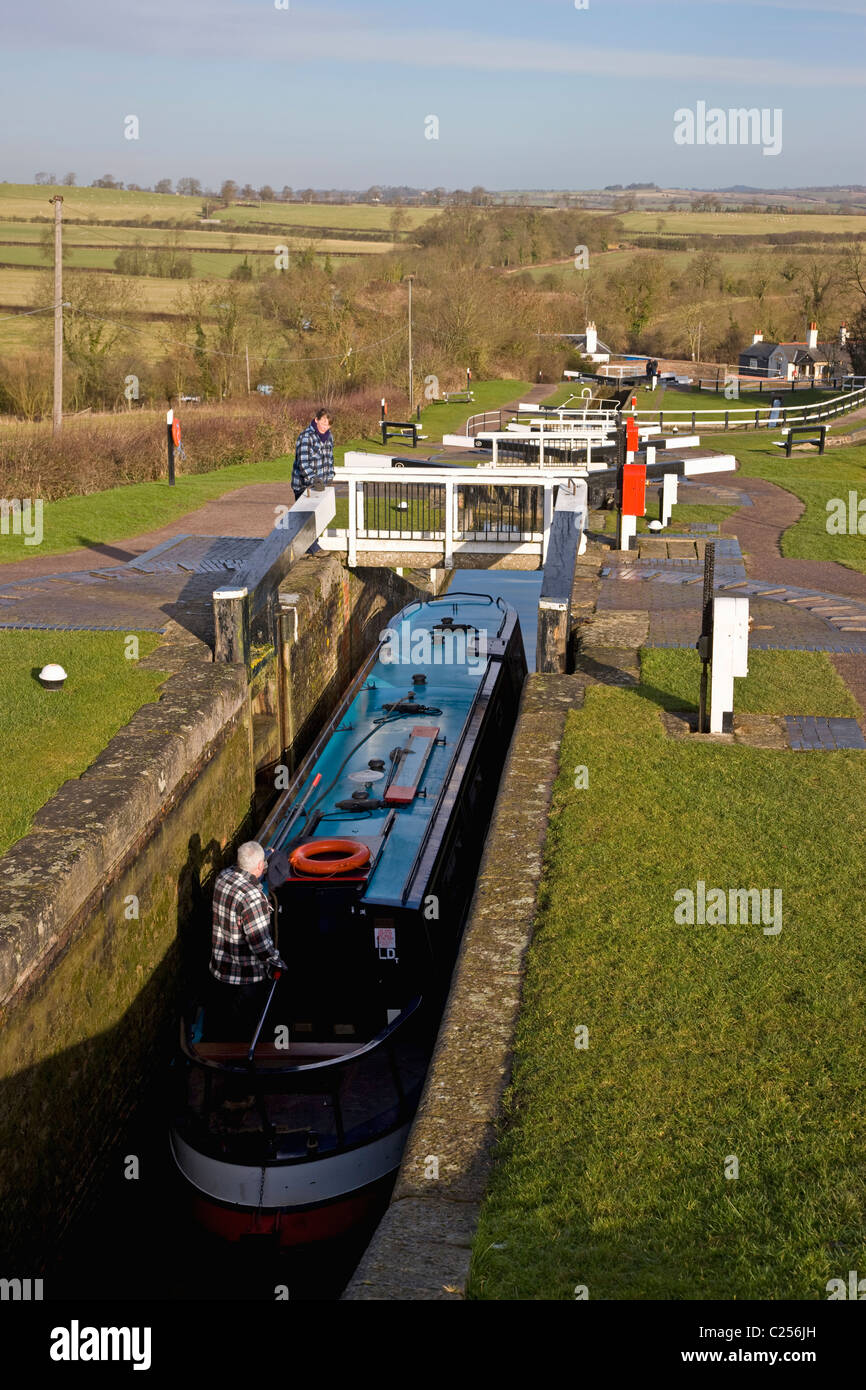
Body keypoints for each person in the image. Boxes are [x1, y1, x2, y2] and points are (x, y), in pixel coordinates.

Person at [206, 841, 287, 1041]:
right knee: (245, 1027)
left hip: (220, 969)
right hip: (245, 977)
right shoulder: (253, 898)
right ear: (260, 866)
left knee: (225, 1023)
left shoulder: (222, 877)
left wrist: (266, 855)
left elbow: (243, 870)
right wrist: (278, 962)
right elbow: (260, 944)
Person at [292, 407, 335, 555]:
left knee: (319, 517)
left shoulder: (329, 437)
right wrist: (314, 479)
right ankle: (313, 549)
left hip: (321, 485)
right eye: (322, 422)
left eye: (328, 424)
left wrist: (330, 476)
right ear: (316, 420)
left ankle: (309, 547)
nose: (325, 426)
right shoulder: (306, 436)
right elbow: (303, 462)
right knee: (306, 519)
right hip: (304, 485)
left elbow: (329, 460)